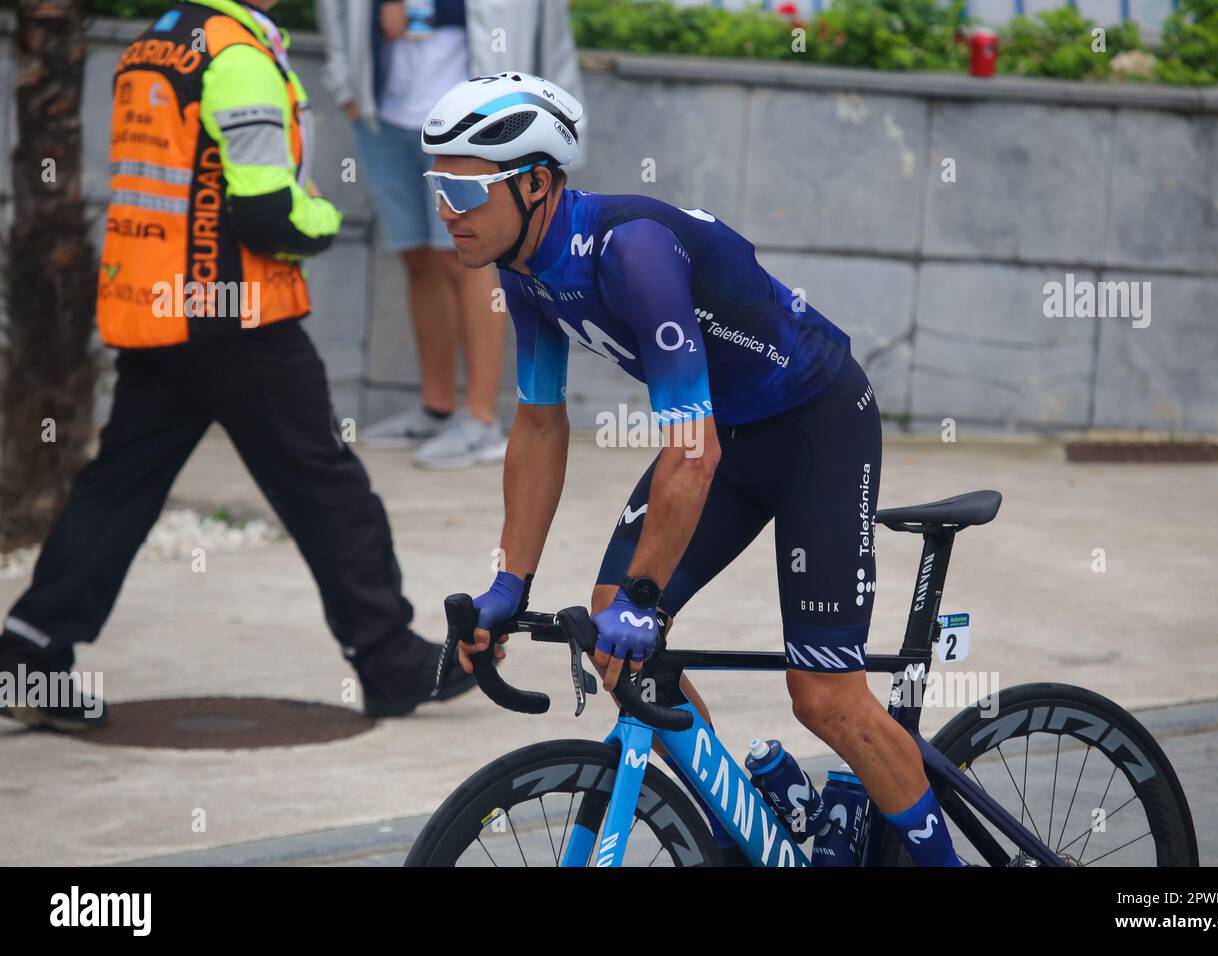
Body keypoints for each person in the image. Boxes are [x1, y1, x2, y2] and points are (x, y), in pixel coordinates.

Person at [427, 73, 965, 866]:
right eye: (435, 185)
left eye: (463, 191)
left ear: (535, 182)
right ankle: (747, 825)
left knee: (824, 698)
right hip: (731, 435)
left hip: (816, 426)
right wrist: (511, 585)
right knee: (616, 639)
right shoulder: (525, 270)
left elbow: (692, 450)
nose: (446, 211)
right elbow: (540, 425)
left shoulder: (630, 251)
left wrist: (647, 599)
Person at [0, 0, 474, 733]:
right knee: (327, 487)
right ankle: (388, 659)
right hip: (235, 315)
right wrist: (321, 218)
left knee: (121, 486)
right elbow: (266, 216)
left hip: (158, 309)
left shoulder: (154, 45)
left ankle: (30, 650)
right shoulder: (236, 57)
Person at [315, 0, 584, 468]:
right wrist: (346, 86)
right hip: (384, 114)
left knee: (469, 262)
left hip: (477, 125)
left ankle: (481, 422)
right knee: (417, 258)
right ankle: (436, 408)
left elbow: (549, 29)